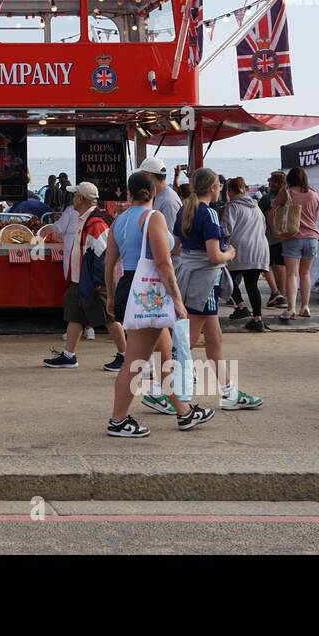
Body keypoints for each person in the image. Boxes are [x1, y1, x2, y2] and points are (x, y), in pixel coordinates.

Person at [107, 171, 215, 437]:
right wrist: (177, 299)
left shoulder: (118, 222)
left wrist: (110, 297)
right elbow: (163, 263)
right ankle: (118, 421)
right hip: (149, 293)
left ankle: (184, 411)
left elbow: (109, 263)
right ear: (153, 191)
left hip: (127, 289)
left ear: (129, 193)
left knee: (165, 357)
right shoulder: (153, 217)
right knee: (134, 361)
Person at [174, 168, 264, 411]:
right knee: (187, 341)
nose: (221, 190)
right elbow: (214, 256)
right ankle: (165, 392)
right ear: (213, 188)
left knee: (213, 338)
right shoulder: (210, 214)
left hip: (189, 276)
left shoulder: (185, 209)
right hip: (205, 281)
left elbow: (176, 246)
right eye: (219, 186)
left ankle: (229, 391)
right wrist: (230, 254)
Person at [42, 182, 127, 371]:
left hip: (92, 281)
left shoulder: (95, 223)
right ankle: (69, 355)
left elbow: (104, 255)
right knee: (75, 314)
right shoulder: (85, 218)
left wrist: (99, 282)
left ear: (81, 199)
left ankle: (125, 355)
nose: (72, 199)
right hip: (79, 279)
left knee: (109, 318)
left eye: (75, 196)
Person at [223, 177, 271, 332]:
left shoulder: (232, 207)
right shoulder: (255, 207)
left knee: (225, 279)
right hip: (259, 248)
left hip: (239, 249)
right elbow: (263, 227)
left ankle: (241, 305)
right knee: (252, 285)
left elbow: (226, 229)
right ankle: (258, 319)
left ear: (230, 191)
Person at [274, 167, 319, 321]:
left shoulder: (286, 193)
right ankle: (305, 306)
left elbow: (275, 209)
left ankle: (291, 308)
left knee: (292, 274)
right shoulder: (314, 194)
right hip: (312, 237)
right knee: (305, 273)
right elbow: (315, 216)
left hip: (292, 237)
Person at [259, 171, 288, 307]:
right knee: (281, 265)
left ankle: (275, 292)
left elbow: (258, 215)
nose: (268, 182)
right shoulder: (288, 196)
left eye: (270, 180)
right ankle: (283, 294)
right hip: (285, 236)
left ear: (275, 182)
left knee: (266, 265)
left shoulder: (267, 198)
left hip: (269, 237)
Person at [137, 156, 182, 230]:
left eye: (142, 176)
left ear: (150, 176)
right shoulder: (159, 196)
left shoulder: (169, 203)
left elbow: (170, 238)